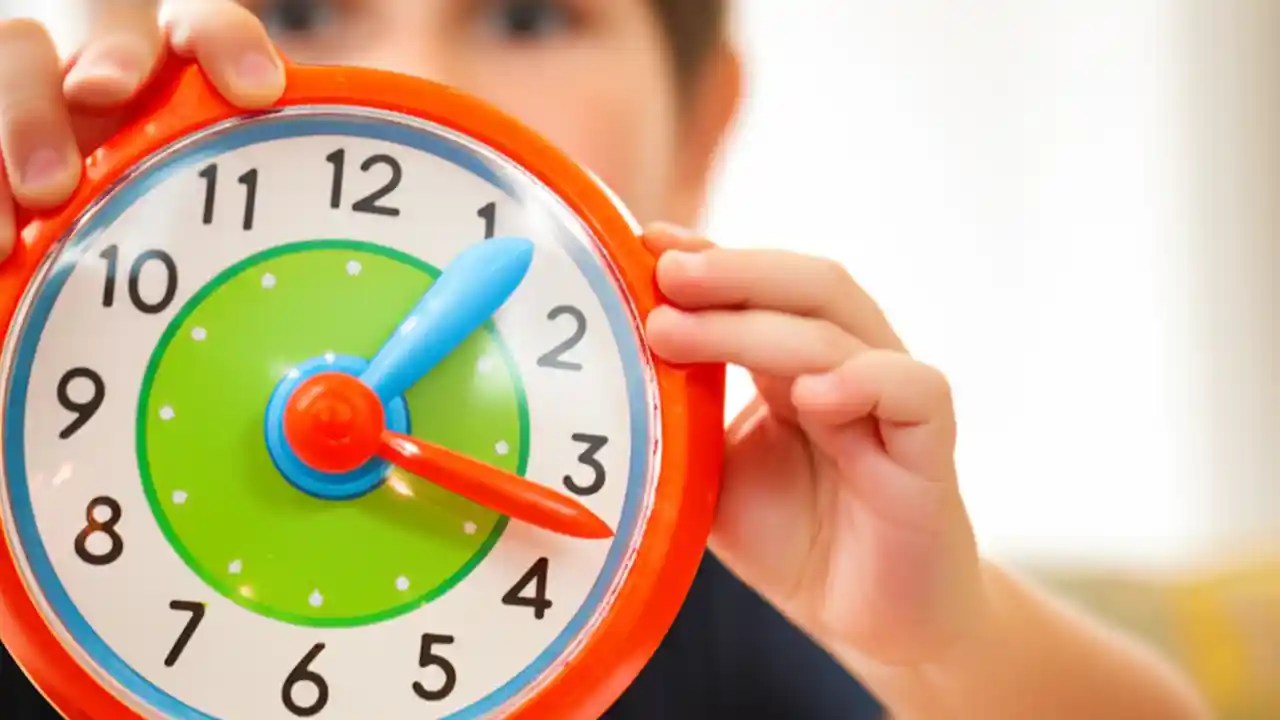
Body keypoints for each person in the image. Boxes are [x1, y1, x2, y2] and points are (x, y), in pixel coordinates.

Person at [0, 1, 1211, 718]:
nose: (414, 87)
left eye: (529, 14)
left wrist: (935, 644)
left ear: (702, 125)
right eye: (305, 8)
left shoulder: (732, 579)